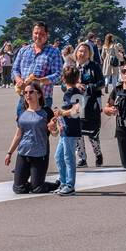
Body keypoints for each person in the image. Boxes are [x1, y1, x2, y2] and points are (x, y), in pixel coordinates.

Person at [5, 81, 56, 193]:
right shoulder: (22, 112)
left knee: (37, 189)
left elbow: (55, 133)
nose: (28, 95)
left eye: (31, 92)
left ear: (39, 94)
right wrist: (9, 153)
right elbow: (18, 135)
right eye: (25, 93)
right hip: (24, 153)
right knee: (18, 189)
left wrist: (53, 128)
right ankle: (34, 183)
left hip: (40, 154)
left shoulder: (46, 112)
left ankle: (51, 185)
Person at [11, 21, 63, 115]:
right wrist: (18, 80)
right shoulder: (23, 50)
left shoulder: (54, 52)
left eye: (42, 34)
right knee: (22, 125)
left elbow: (58, 74)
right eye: (36, 33)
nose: (38, 36)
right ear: (32, 34)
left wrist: (40, 81)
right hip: (25, 98)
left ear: (47, 35)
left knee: (41, 127)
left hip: (43, 98)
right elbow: (15, 69)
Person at [52, 67, 83, 195]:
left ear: (63, 79)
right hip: (65, 130)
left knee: (68, 157)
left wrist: (62, 112)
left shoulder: (73, 93)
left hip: (71, 130)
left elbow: (77, 110)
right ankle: (64, 182)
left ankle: (70, 184)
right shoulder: (72, 92)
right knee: (59, 156)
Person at [73, 42, 105, 167]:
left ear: (89, 54)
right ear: (76, 52)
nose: (82, 53)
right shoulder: (72, 68)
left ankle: (98, 154)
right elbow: (64, 85)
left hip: (92, 102)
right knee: (77, 132)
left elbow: (102, 82)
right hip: (76, 102)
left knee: (92, 131)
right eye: (80, 51)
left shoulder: (94, 66)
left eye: (85, 51)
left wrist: (89, 87)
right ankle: (82, 158)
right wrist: (75, 85)